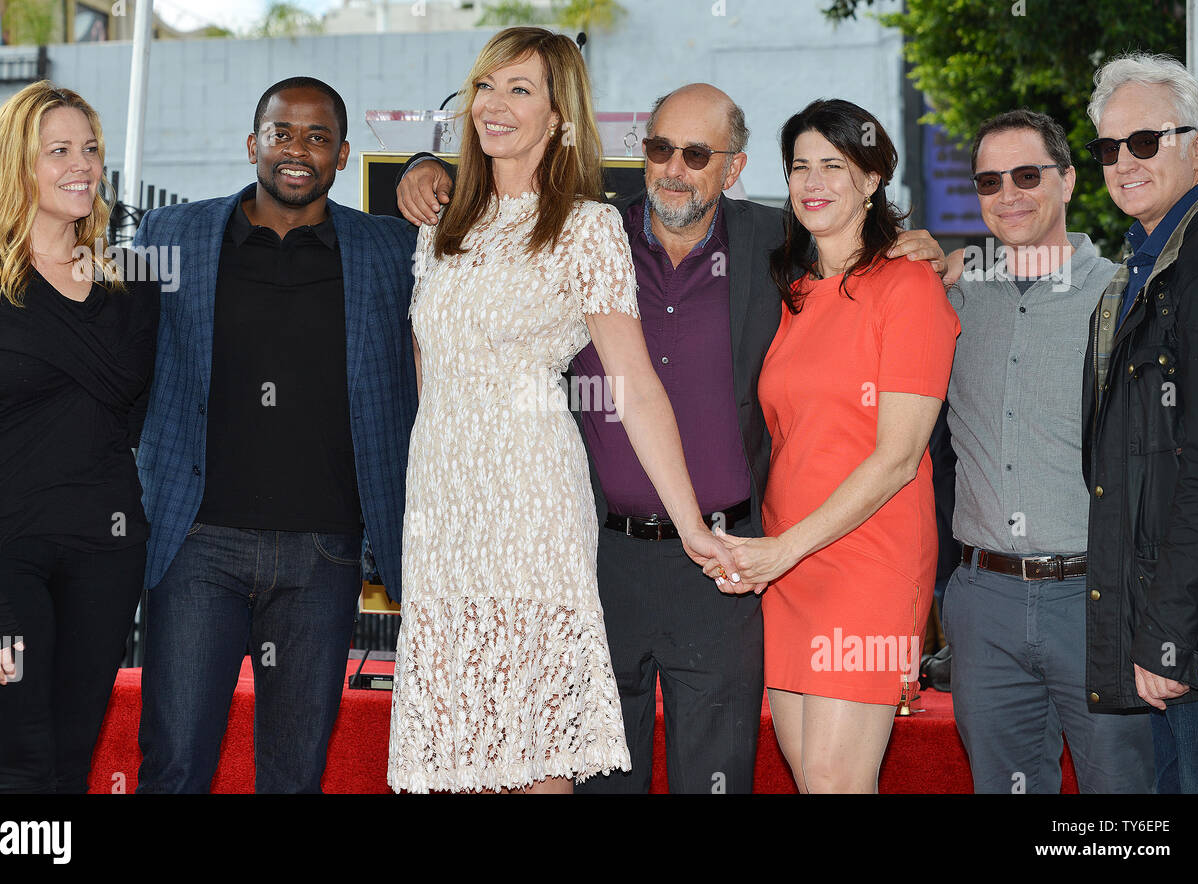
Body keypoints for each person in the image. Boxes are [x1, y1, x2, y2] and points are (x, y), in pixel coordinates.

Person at [396, 86, 945, 793]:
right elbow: (489, 224)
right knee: (595, 775)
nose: (674, 169)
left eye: (696, 154)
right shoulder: (587, 236)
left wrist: (919, 248)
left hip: (725, 568)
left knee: (727, 776)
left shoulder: (776, 245)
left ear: (734, 167)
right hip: (598, 562)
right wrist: (424, 164)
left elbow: (860, 253)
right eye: (659, 149)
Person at [386, 27, 743, 794]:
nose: (495, 104)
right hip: (443, 510)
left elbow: (634, 385)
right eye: (486, 86)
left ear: (559, 117)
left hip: (531, 504)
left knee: (536, 747)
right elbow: (428, 370)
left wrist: (690, 525)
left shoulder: (587, 227)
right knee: (460, 751)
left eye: (521, 89)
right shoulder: (439, 227)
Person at [128, 77, 418, 793]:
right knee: (174, 766)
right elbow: (97, 329)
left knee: (294, 777)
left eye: (318, 137)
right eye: (281, 132)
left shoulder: (391, 250)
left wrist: (424, 168)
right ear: (252, 143)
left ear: (344, 155)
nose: (298, 149)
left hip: (323, 555)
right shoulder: (173, 235)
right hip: (196, 544)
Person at [708, 99, 959, 793]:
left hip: (867, 564)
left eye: (835, 166)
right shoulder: (790, 288)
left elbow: (898, 457)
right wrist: (775, 551)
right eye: (800, 167)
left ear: (873, 178)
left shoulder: (908, 286)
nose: (813, 182)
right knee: (811, 776)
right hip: (786, 566)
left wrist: (783, 551)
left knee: (833, 779)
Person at [0, 81, 158, 792]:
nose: (80, 165)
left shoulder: (131, 284)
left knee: (69, 764)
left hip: (104, 558)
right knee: (21, 770)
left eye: (88, 149)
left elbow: (134, 417)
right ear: (16, 166)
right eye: (58, 151)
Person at [944, 108, 1153, 793]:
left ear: (1067, 180)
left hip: (1097, 599)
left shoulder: (1128, 296)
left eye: (1028, 174)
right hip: (982, 601)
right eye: (989, 181)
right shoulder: (951, 297)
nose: (1008, 194)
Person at [1082, 53, 1198, 793]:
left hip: (1195, 640)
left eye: (1145, 142)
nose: (1123, 162)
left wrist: (1167, 633)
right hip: (1176, 634)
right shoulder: (1145, 261)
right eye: (1109, 147)